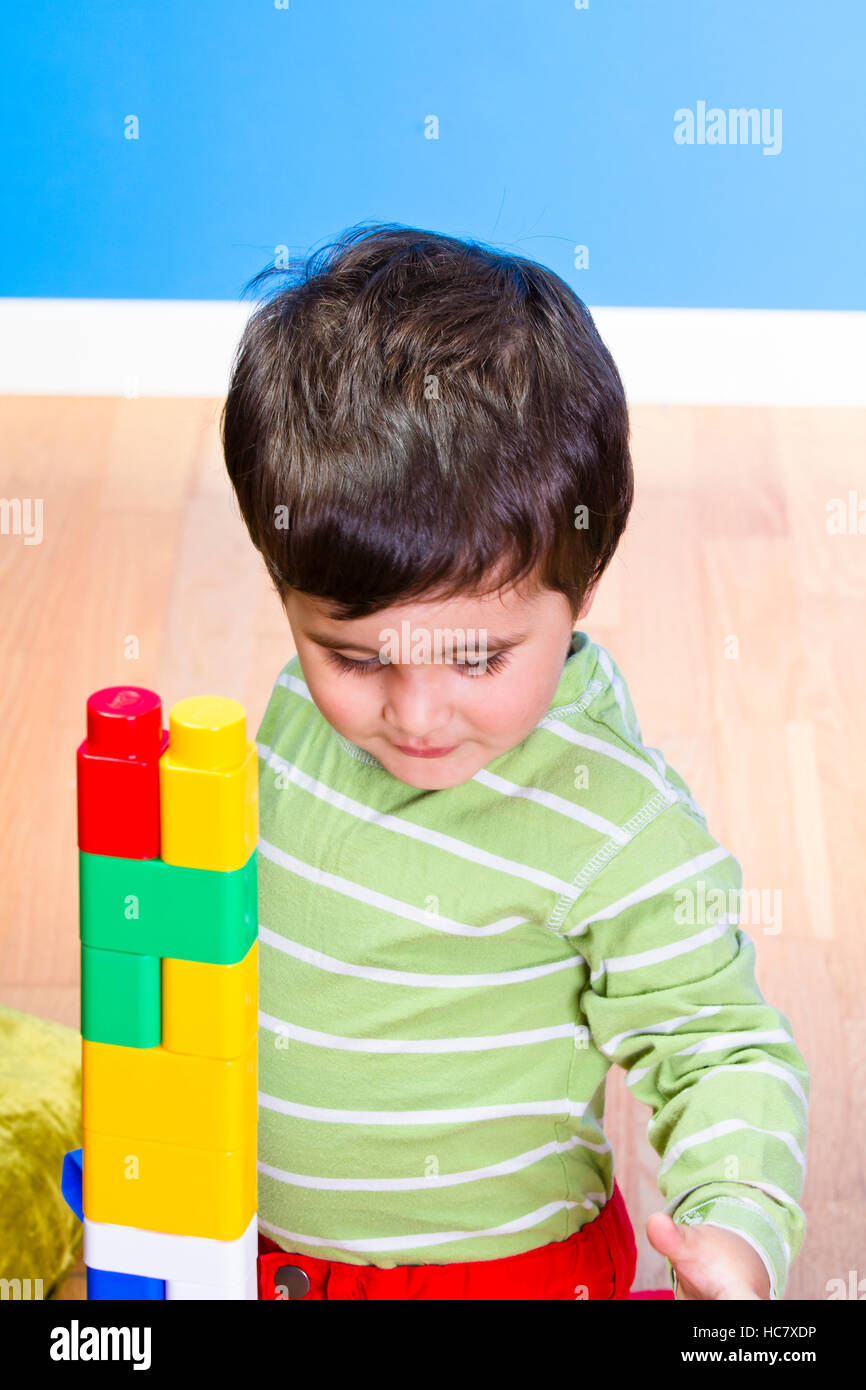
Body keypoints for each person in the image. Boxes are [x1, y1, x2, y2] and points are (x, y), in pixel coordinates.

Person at [220, 223, 809, 1300]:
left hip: (496, 1277)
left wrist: (735, 1229)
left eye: (477, 657)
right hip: (266, 1254)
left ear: (580, 590)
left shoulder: (616, 823)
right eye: (351, 654)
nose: (413, 713)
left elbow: (723, 1050)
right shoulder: (300, 709)